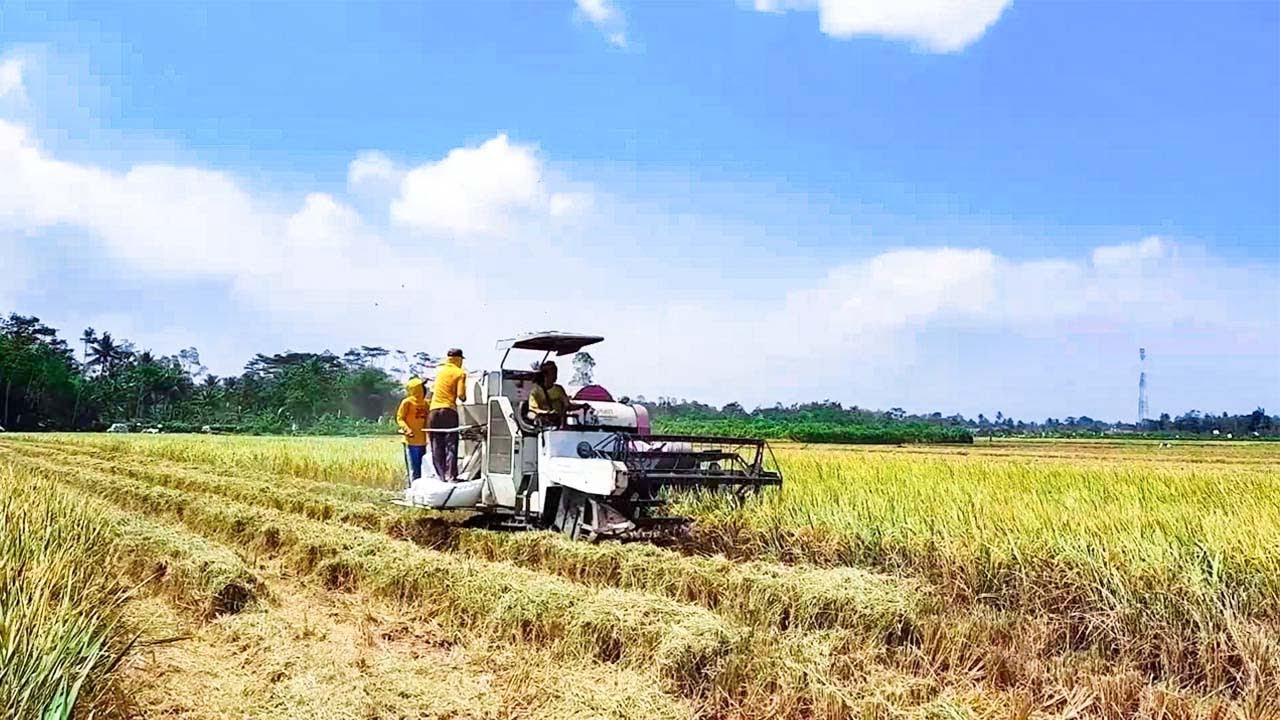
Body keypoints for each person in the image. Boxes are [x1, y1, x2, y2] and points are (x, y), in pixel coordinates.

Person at [429, 348, 468, 482]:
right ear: (459, 359)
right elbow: (461, 395)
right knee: (451, 444)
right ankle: (451, 476)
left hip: (433, 411)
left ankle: (441, 476)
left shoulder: (439, 371)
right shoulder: (459, 373)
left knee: (436, 444)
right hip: (449, 410)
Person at [528, 360, 587, 428]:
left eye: (556, 372)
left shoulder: (559, 389)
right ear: (545, 375)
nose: (556, 376)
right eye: (553, 373)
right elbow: (533, 410)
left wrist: (581, 406)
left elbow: (568, 406)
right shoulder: (535, 392)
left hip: (559, 424)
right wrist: (547, 413)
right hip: (544, 424)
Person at [395, 377, 430, 484]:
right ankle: (412, 489)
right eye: (422, 387)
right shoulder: (407, 402)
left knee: (422, 468)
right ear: (416, 388)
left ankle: (419, 489)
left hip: (423, 441)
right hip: (411, 441)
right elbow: (400, 418)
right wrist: (407, 429)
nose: (425, 389)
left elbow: (428, 421)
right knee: (413, 468)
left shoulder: (426, 404)